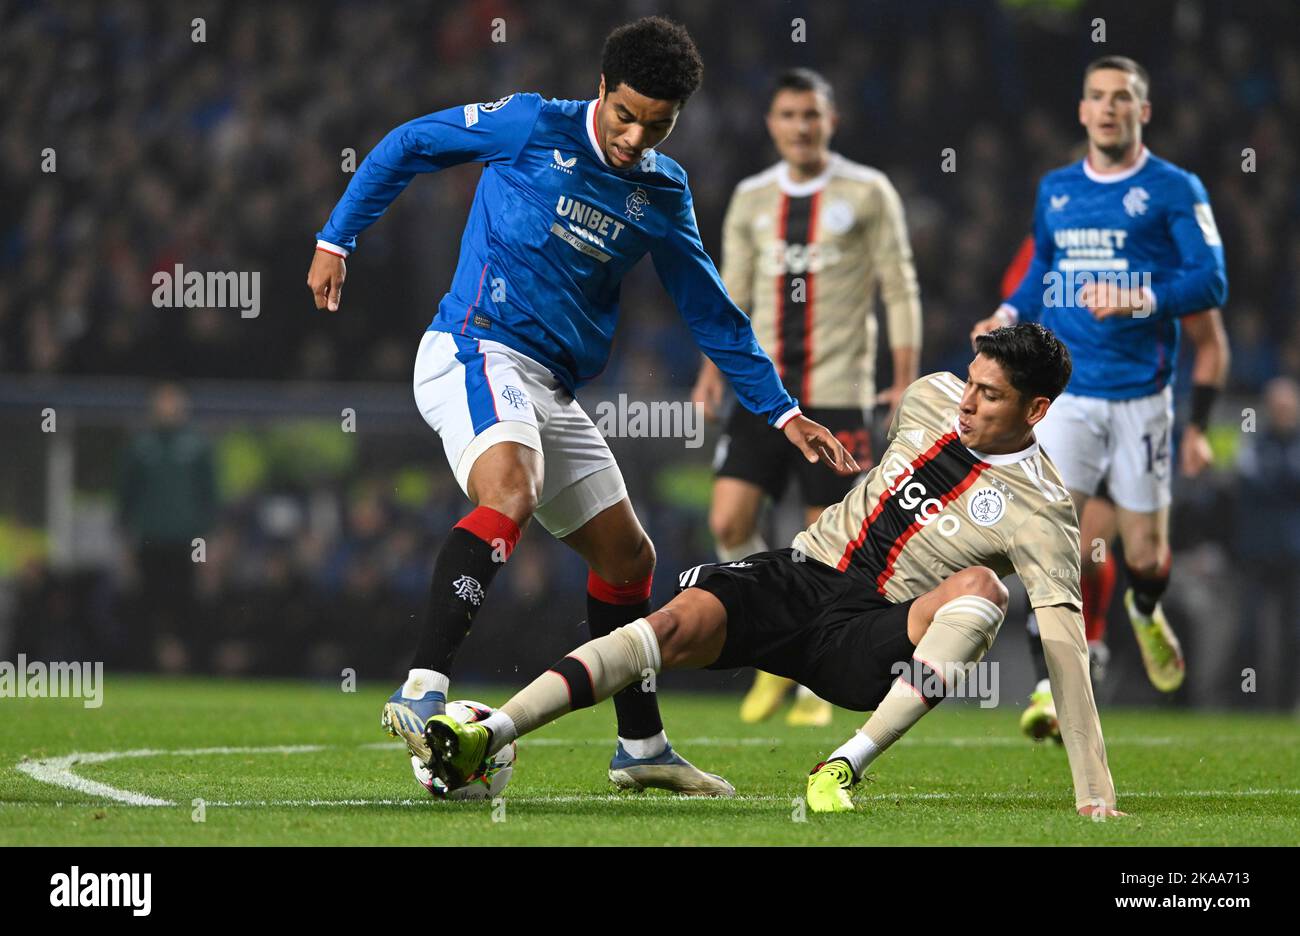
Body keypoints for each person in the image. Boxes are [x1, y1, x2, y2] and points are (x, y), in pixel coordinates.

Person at [306, 17, 856, 796]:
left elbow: (712, 312)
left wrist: (782, 412)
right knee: (511, 490)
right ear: (600, 89)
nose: (635, 137)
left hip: (551, 388)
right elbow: (408, 143)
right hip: (474, 345)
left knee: (629, 559)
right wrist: (338, 238)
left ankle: (641, 748)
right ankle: (423, 685)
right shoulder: (533, 124)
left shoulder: (662, 191)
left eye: (657, 125)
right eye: (625, 114)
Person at [424, 324, 1122, 818]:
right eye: (971, 383)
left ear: (1036, 410)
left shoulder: (1043, 512)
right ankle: (489, 735)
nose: (968, 402)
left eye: (991, 396)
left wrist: (1094, 792)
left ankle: (842, 766)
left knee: (982, 590)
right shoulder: (932, 396)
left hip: (868, 635)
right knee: (669, 624)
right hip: (798, 576)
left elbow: (1065, 650)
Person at [972, 56, 1228, 714]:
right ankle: (1053, 687)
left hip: (1141, 399)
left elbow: (1211, 281)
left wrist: (1141, 296)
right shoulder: (1056, 189)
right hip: (1068, 398)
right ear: (1082, 111)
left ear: (1142, 111)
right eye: (1097, 98)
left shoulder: (1174, 188)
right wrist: (1004, 316)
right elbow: (1039, 274)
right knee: (1056, 539)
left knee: (1144, 554)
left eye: (1122, 98)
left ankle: (1145, 609)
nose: (1109, 108)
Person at [691, 68, 921, 727]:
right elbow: (728, 293)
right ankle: (772, 653)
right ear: (771, 123)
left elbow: (899, 286)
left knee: (825, 543)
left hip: (839, 396)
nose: (800, 126)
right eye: (789, 114)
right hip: (765, 397)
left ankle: (817, 677)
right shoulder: (752, 197)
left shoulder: (867, 190)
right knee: (730, 520)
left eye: (812, 115)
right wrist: (714, 368)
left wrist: (903, 373)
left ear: (831, 121)